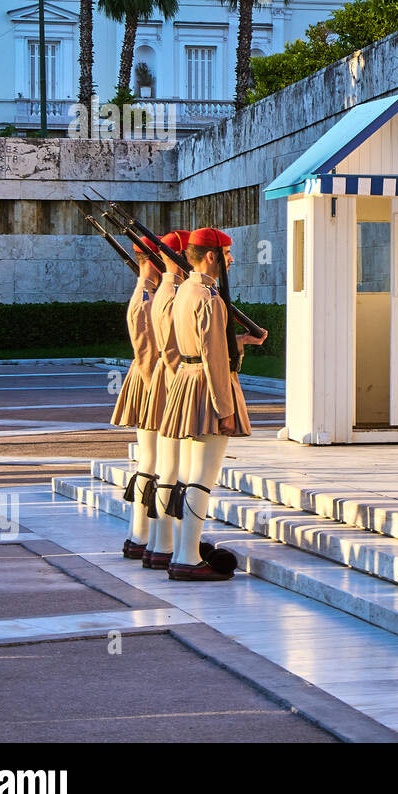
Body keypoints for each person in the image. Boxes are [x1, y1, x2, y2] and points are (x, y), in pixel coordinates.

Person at [158, 227, 266, 581]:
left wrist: (240, 339)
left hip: (188, 382)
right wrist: (226, 409)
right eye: (228, 254)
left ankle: (181, 550)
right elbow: (215, 357)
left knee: (190, 476)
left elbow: (195, 344)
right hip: (207, 385)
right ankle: (188, 558)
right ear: (211, 256)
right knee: (201, 480)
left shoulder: (185, 291)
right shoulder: (209, 297)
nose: (231, 260)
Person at [138, 229, 191, 571]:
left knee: (163, 467)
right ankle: (167, 545)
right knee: (172, 469)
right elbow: (163, 348)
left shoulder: (159, 292)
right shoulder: (168, 294)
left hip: (164, 380)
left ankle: (156, 541)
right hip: (172, 382)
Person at [110, 237, 161, 558]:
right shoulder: (146, 295)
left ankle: (141, 535)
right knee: (152, 461)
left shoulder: (151, 291)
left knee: (152, 461)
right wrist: (159, 392)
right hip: (150, 380)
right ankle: (142, 536)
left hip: (152, 379)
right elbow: (146, 352)